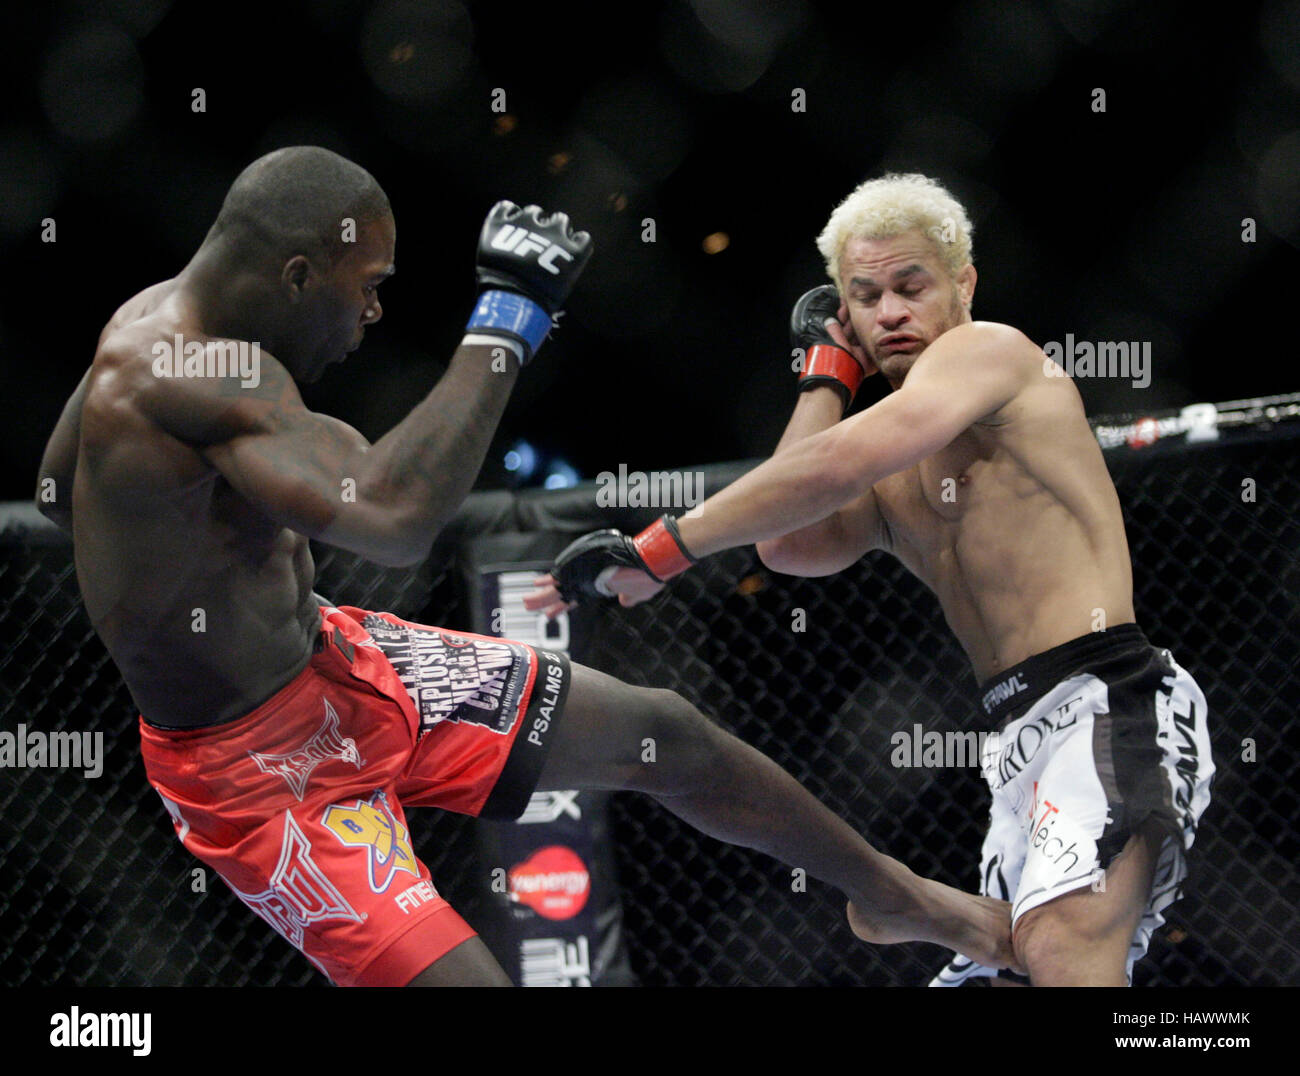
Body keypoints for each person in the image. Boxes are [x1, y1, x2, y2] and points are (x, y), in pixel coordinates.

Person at [35, 149, 1017, 986]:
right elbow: (393, 518)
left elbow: (53, 486)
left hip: (340, 661)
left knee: (667, 733)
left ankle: (909, 902)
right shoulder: (193, 374)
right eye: (366, 284)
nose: (373, 311)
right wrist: (504, 321)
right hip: (259, 774)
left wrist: (186, 536)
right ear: (296, 274)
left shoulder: (146, 329)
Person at [528, 173, 1215, 987]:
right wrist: (826, 376)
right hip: (1016, 737)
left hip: (1108, 697)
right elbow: (789, 541)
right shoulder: (894, 476)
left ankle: (907, 899)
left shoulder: (991, 353)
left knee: (1063, 949)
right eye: (865, 296)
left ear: (963, 284)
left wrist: (662, 549)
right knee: (1019, 963)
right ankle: (913, 902)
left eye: (910, 287)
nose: (888, 312)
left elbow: (839, 461)